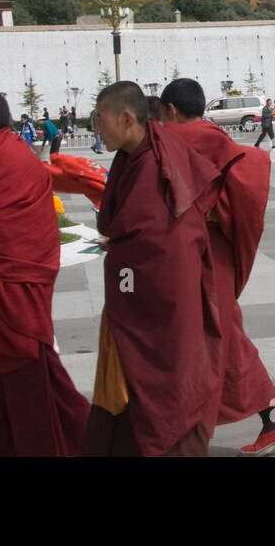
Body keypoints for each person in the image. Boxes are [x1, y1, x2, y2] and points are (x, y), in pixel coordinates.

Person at [0, 91, 91, 455]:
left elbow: (5, 235)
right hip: (5, 289)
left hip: (13, 293)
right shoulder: (7, 151)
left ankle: (79, 442)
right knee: (1, 386)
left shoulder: (8, 159)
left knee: (31, 388)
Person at [85, 81, 223, 457]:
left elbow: (162, 240)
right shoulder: (137, 154)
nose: (97, 129)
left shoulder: (153, 161)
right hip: (153, 294)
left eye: (101, 120)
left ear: (127, 118)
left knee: (166, 389)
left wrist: (122, 253)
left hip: (164, 302)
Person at [161, 78, 275, 456]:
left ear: (171, 111)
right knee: (219, 332)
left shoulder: (187, 137)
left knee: (220, 335)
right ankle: (251, 419)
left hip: (201, 251)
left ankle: (271, 416)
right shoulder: (210, 132)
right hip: (206, 249)